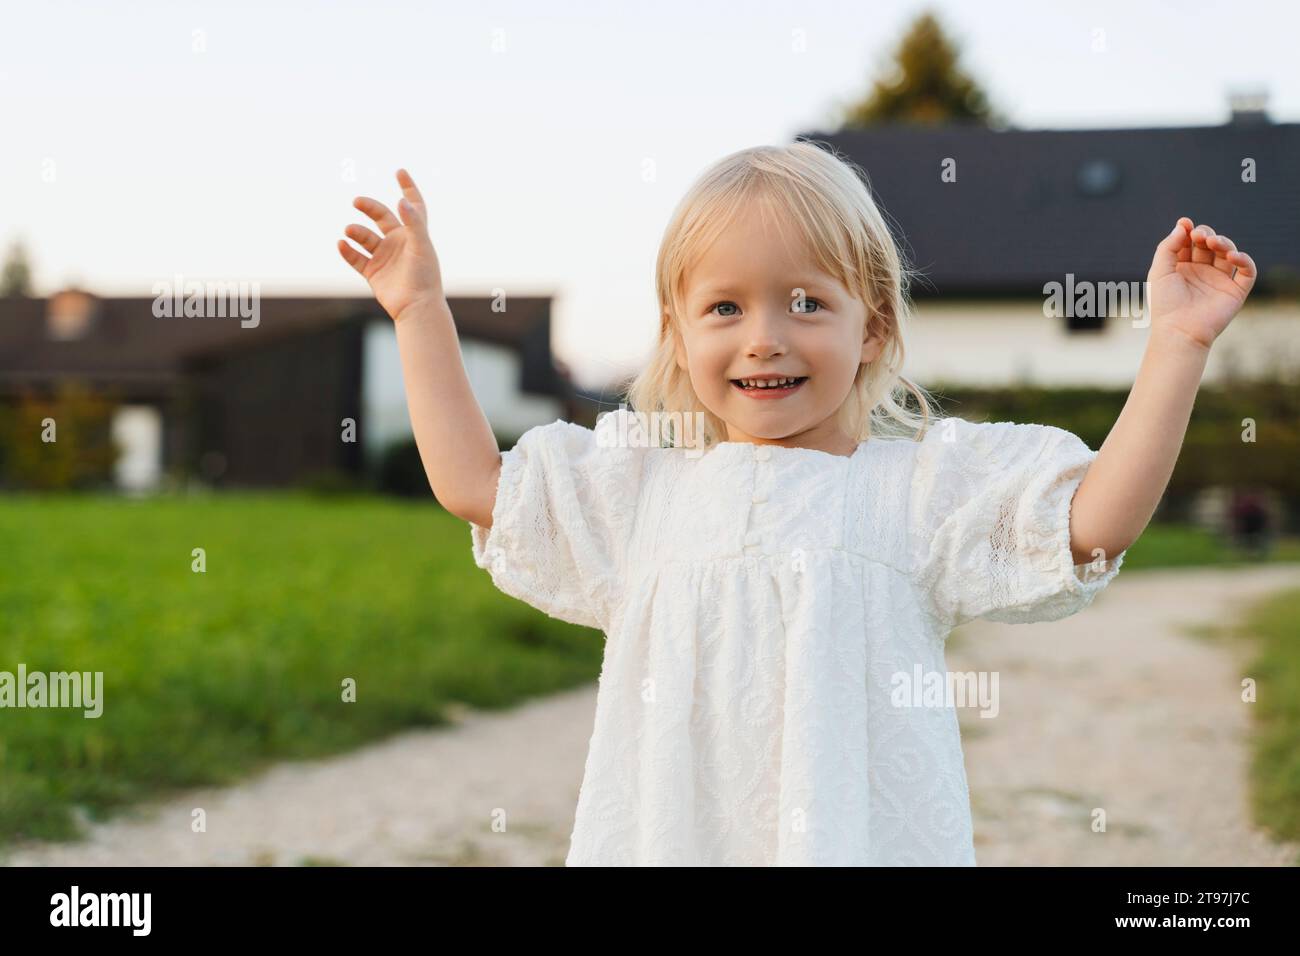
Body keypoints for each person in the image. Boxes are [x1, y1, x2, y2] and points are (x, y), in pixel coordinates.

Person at [337, 143, 1259, 865]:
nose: (765, 339)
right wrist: (420, 310)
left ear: (875, 328)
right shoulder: (638, 493)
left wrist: (1175, 344)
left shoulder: (916, 490)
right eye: (725, 308)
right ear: (677, 332)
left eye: (807, 303)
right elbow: (477, 487)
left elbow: (1095, 521)